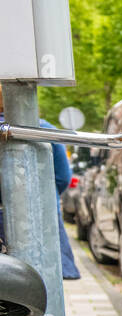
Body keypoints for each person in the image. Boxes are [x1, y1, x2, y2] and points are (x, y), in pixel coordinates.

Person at [0, 88, 81, 280]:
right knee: (43, 287)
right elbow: (62, 177)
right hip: (38, 221)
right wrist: (42, 196)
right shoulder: (41, 129)